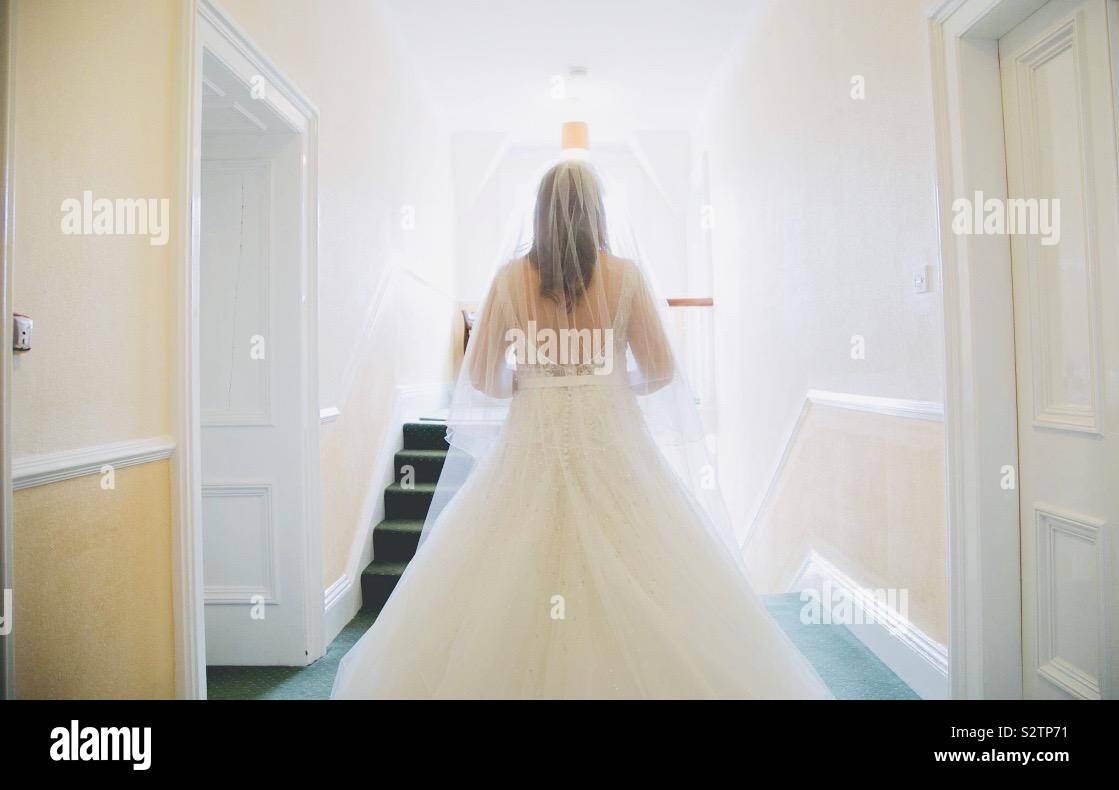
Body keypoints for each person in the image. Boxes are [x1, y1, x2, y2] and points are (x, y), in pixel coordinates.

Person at [331, 160, 830, 699]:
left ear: (539, 213)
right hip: (611, 434)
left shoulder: (508, 279)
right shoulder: (626, 277)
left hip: (532, 437)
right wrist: (612, 384)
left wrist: (527, 383)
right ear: (597, 212)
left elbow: (481, 379)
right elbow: (661, 371)